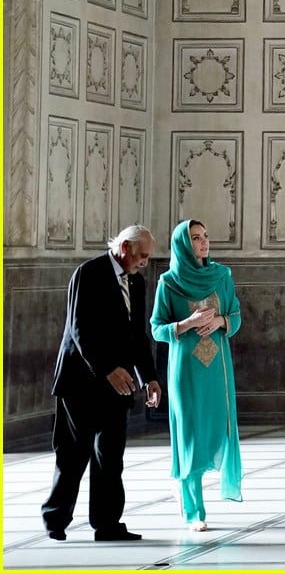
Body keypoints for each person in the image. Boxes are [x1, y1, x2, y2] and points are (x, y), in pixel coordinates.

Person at [41, 225, 163, 542]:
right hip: (80, 382)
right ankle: (55, 520)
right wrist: (107, 368)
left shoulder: (135, 281)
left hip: (117, 384)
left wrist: (148, 376)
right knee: (72, 455)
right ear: (124, 246)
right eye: (143, 256)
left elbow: (137, 335)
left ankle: (107, 524)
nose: (145, 263)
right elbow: (80, 329)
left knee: (111, 457)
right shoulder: (89, 273)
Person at [149, 219, 243, 531]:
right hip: (186, 369)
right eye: (195, 238)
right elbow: (157, 328)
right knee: (189, 435)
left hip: (218, 370)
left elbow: (236, 315)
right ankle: (193, 509)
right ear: (182, 245)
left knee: (217, 430)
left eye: (205, 236)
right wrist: (186, 323)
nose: (203, 243)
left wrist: (220, 322)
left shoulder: (221, 276)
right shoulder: (169, 283)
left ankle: (182, 482)